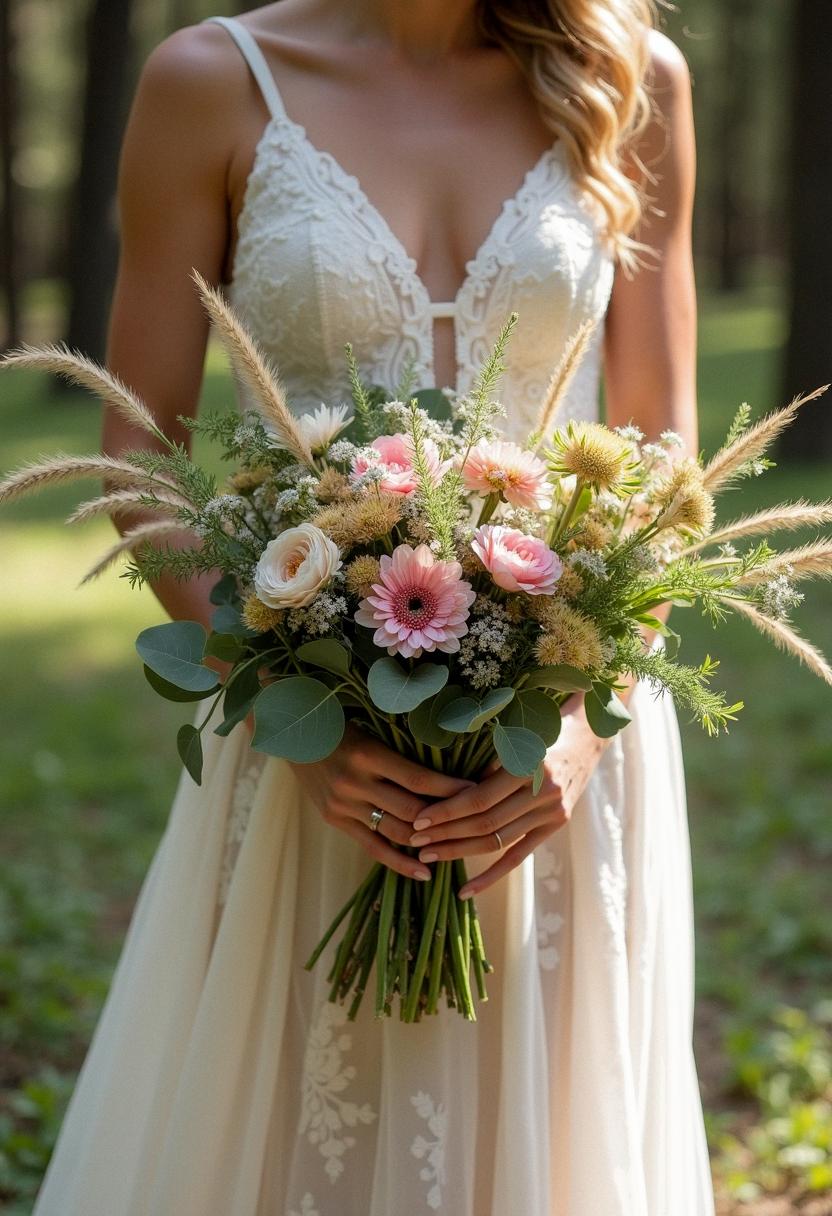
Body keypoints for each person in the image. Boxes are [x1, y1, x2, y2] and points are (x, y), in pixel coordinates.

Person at [33, 2, 715, 1213]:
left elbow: (667, 452)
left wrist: (579, 724)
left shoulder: (630, 76)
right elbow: (141, 447)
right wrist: (289, 710)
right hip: (309, 710)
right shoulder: (212, 80)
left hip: (566, 729)